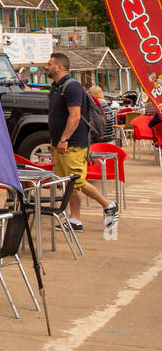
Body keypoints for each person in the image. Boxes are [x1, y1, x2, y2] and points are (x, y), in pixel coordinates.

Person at [47, 53, 117, 233]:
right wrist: (53, 142)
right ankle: (75, 219)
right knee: (68, 183)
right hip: (61, 143)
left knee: (77, 180)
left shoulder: (72, 87)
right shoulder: (56, 87)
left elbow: (75, 116)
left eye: (50, 64)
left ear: (59, 67)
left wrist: (64, 139)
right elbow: (55, 118)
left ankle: (108, 205)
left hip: (74, 144)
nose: (47, 67)